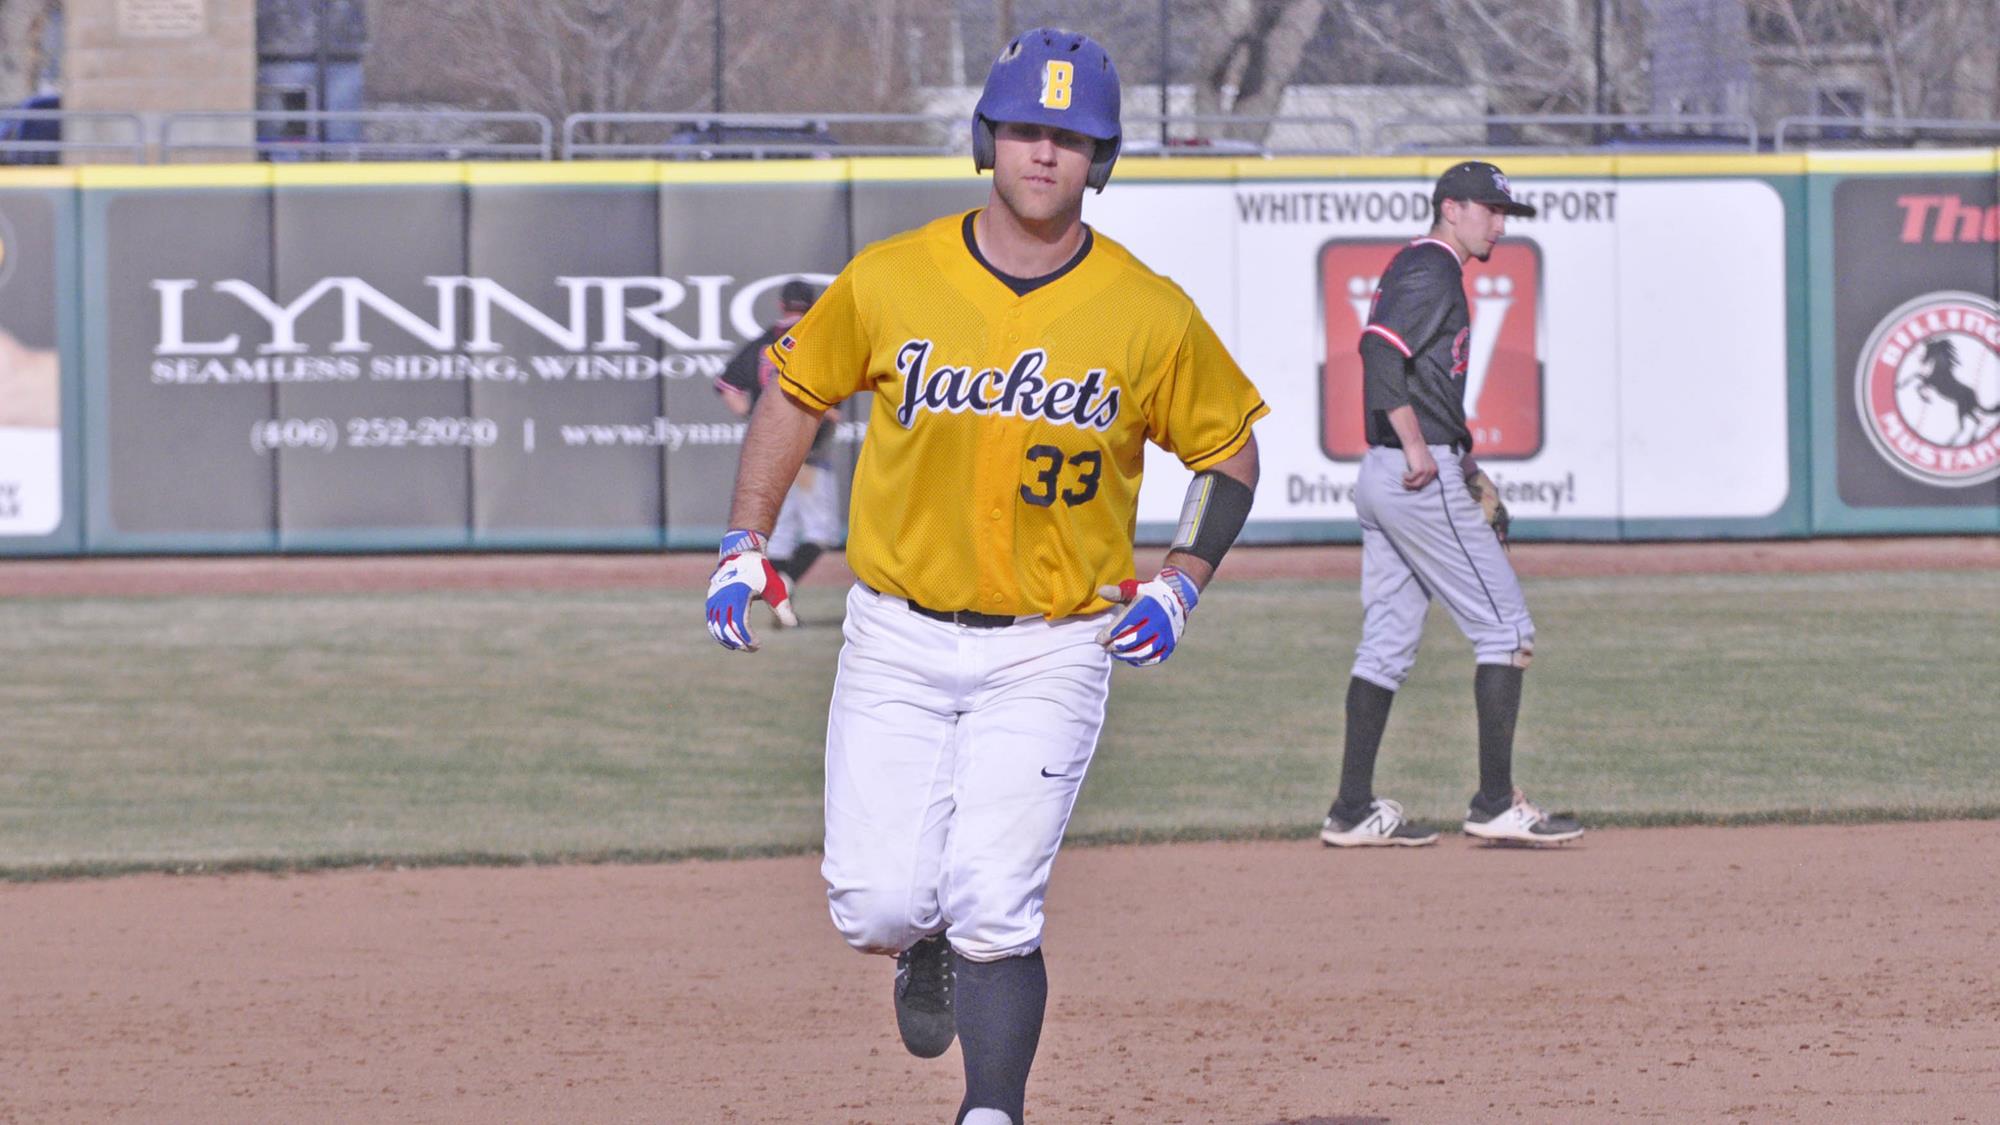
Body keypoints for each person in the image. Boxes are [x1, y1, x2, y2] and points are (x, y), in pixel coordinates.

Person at [703, 27, 1266, 1125]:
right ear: (985, 140)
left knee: (997, 903)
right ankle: (922, 946)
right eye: (1023, 129)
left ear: (1100, 158)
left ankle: (991, 1108)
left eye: (1071, 136)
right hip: (895, 634)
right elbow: (793, 391)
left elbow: (1228, 451)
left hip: (1053, 644)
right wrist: (743, 543)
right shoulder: (893, 276)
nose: (1044, 152)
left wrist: (1180, 581)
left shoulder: (1146, 310)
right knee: (876, 905)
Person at [1318, 160, 1584, 849]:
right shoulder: (1432, 267)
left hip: (1389, 475)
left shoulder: (1425, 267)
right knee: (1507, 632)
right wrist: (1419, 447)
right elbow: (1379, 352)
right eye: (1491, 210)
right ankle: (1494, 803)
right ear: (1452, 208)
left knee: (1385, 645)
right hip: (1412, 476)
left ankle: (1351, 809)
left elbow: (1420, 378)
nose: (1500, 225)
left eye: (1505, 214)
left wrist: (1463, 462)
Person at [715, 279, 839, 587]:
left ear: (781, 305)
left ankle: (778, 590)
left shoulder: (764, 342)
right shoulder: (817, 338)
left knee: (780, 533)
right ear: (812, 306)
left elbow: (726, 386)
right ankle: (786, 581)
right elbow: (831, 403)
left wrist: (753, 415)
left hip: (771, 452)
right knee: (821, 531)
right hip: (808, 453)